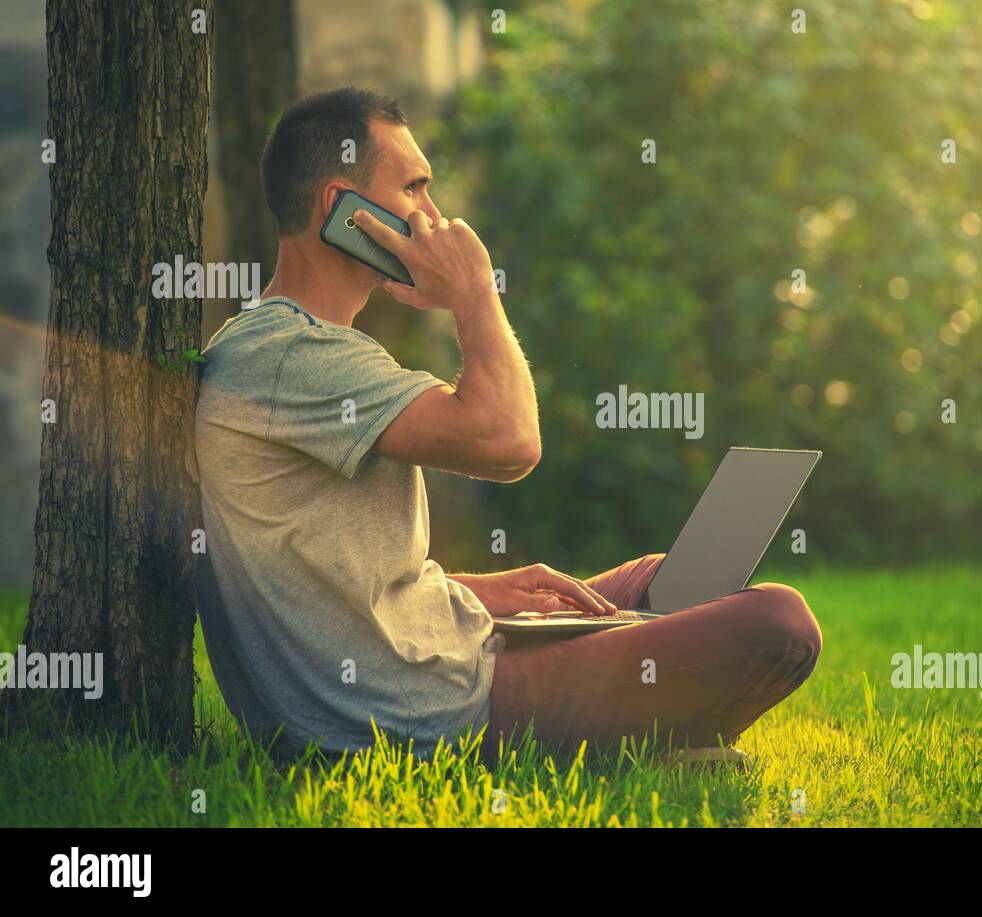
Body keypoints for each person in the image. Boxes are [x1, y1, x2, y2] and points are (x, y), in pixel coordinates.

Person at [195, 87, 821, 766]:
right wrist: (472, 292)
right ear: (340, 208)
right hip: (421, 712)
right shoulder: (288, 354)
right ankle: (645, 744)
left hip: (437, 660)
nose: (434, 217)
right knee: (778, 623)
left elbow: (338, 579)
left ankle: (652, 741)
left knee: (663, 579)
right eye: (414, 188)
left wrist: (475, 591)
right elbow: (509, 441)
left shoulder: (307, 351)